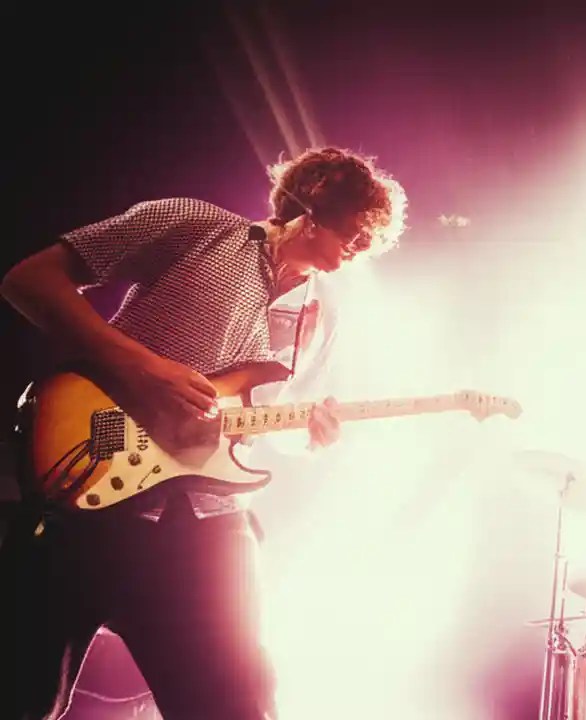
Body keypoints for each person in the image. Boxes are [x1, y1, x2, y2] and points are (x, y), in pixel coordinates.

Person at [0, 146, 408, 719]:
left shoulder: (323, 312)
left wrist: (310, 435)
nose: (363, 246)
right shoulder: (197, 225)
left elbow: (272, 416)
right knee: (19, 696)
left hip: (207, 523)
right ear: (315, 202)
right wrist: (144, 368)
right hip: (87, 490)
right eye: (357, 229)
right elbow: (29, 281)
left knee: (236, 706)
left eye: (371, 239)